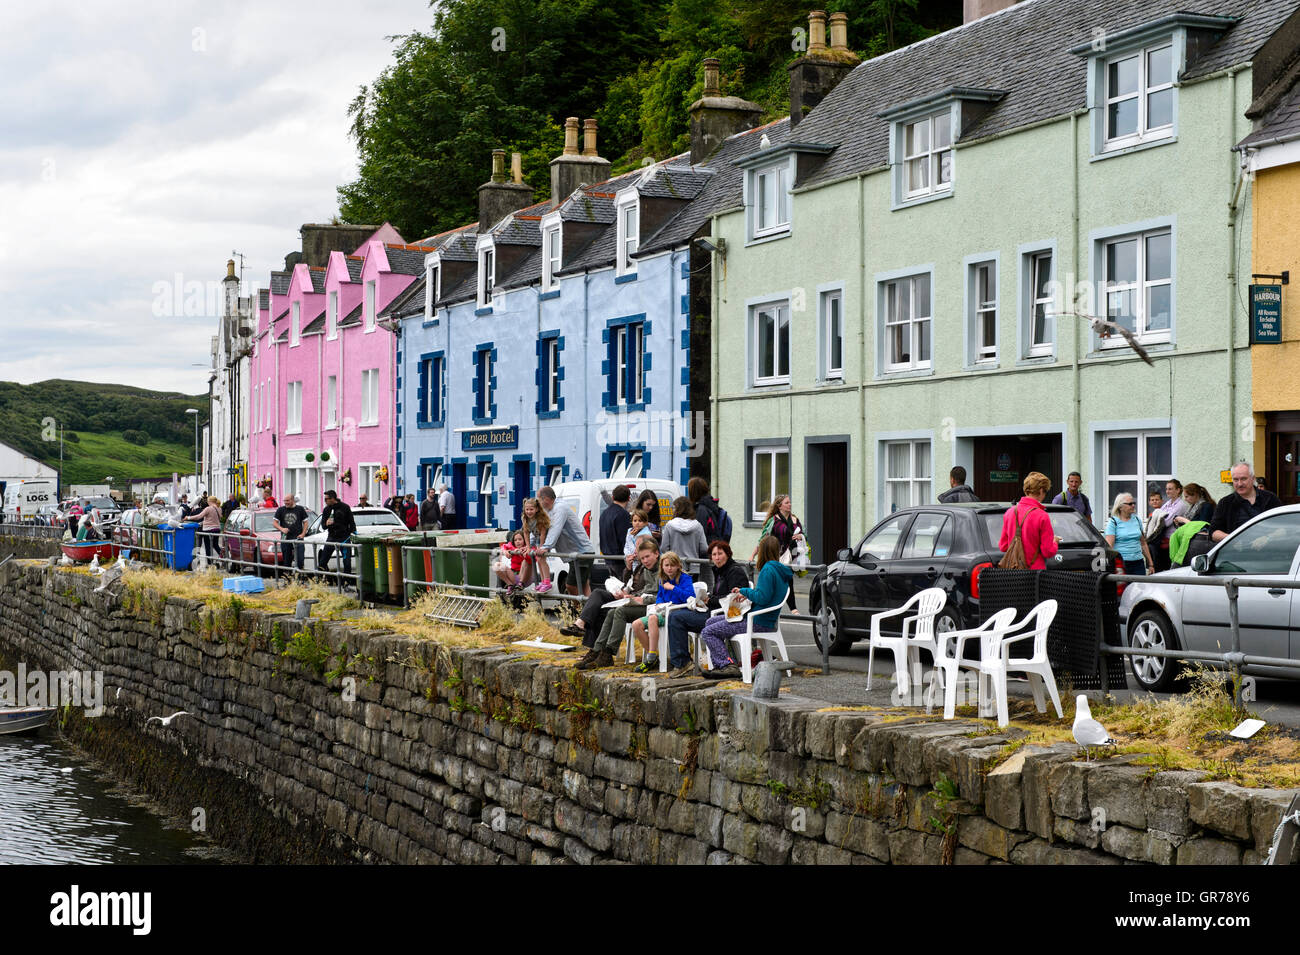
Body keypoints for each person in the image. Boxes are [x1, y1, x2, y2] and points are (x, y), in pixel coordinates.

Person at [701, 535, 793, 680]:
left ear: (762, 551)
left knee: (708, 632)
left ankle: (727, 665)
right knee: (710, 622)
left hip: (757, 622)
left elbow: (763, 597)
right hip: (765, 620)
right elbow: (766, 595)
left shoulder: (767, 570)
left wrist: (744, 591)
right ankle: (728, 662)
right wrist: (748, 594)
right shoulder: (779, 570)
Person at [574, 537, 661, 668]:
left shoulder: (662, 569)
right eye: (642, 559)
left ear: (656, 553)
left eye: (647, 557)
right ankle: (597, 650)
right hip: (644, 602)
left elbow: (664, 595)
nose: (645, 561)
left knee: (619, 611)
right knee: (610, 612)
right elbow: (645, 589)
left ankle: (608, 652)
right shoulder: (648, 569)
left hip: (656, 607)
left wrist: (642, 599)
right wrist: (632, 596)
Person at [664, 540, 750, 672]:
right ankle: (682, 661)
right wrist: (703, 601)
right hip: (712, 611)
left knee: (677, 618)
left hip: (723, 615)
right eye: (714, 555)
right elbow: (719, 595)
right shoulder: (720, 571)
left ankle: (682, 663)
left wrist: (710, 600)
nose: (716, 557)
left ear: (727, 554)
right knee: (675, 615)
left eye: (720, 554)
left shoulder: (734, 571)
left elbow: (733, 598)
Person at [629, 552, 694, 673]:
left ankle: (651, 657)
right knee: (636, 624)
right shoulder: (662, 579)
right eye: (667, 565)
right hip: (663, 611)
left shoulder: (685, 578)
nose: (669, 568)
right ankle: (652, 656)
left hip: (677, 613)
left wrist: (673, 588)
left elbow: (690, 597)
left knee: (652, 619)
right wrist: (659, 603)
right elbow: (659, 596)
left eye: (672, 565)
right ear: (662, 566)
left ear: (678, 566)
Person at [537, 485, 595, 595]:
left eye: (539, 499)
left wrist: (546, 546)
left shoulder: (560, 508)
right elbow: (540, 527)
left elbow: (555, 528)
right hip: (574, 553)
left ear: (546, 499)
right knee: (583, 584)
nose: (538, 503)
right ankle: (589, 610)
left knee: (571, 585)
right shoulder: (550, 511)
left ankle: (580, 610)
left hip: (582, 552)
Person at [998, 471, 1061, 570]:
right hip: (1035, 573)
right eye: (1045, 491)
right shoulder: (1042, 516)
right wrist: (1055, 542)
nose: (1044, 495)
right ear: (1040, 491)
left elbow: (1003, 546)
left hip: (1013, 573)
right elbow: (1047, 552)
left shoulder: (1009, 512)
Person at [1210, 463, 1282, 542]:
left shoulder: (1270, 498)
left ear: (1253, 479)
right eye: (1236, 479)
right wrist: (1233, 539)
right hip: (1237, 552)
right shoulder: (1225, 503)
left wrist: (1268, 538)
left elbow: (1284, 527)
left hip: (1269, 550)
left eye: (1243, 479)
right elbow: (1213, 532)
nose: (1239, 484)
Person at [756, 494, 802, 611]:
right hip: (776, 557)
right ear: (779, 506)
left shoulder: (795, 519)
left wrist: (801, 536)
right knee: (779, 582)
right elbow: (763, 539)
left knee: (787, 581)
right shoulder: (773, 520)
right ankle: (789, 608)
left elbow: (804, 534)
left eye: (790, 502)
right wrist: (753, 555)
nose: (789, 504)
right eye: (787, 503)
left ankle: (791, 608)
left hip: (792, 556)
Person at [1105, 492, 1153, 576]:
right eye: (1130, 504)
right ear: (1120, 507)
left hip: (1138, 563)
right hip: (1121, 564)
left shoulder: (1137, 520)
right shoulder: (1113, 522)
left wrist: (1150, 564)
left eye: (1134, 503)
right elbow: (1109, 547)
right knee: (1124, 589)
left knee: (1139, 588)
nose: (1133, 505)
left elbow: (1143, 543)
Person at [660, 497, 709, 571]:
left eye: (674, 508)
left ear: (677, 509)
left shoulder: (669, 526)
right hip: (694, 566)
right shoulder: (698, 526)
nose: (672, 510)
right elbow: (704, 548)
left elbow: (664, 548)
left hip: (674, 566)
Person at [1151, 479, 1188, 572]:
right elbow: (1160, 518)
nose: (1167, 491)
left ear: (1178, 490)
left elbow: (1166, 522)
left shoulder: (1180, 505)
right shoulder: (1168, 504)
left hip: (1172, 541)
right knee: (1159, 568)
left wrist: (1159, 517)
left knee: (1169, 570)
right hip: (1163, 540)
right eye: (1167, 489)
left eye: (1170, 489)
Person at [598, 484, 633, 580]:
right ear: (629, 498)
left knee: (614, 589)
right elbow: (625, 539)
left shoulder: (604, 513)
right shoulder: (623, 515)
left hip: (608, 557)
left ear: (613, 497)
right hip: (619, 559)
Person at [519, 497, 552, 592]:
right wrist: (528, 547)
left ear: (537, 509)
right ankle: (543, 582)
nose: (529, 512)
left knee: (542, 559)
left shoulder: (540, 518)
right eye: (527, 509)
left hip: (545, 539)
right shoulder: (525, 518)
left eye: (531, 509)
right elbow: (526, 532)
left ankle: (547, 582)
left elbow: (543, 533)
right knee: (538, 559)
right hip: (536, 539)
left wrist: (542, 547)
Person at [319, 490, 356, 575]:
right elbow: (323, 526)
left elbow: (352, 522)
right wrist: (326, 524)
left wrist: (352, 534)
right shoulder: (326, 510)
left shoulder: (345, 507)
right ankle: (321, 581)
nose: (325, 501)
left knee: (347, 561)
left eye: (326, 499)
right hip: (332, 537)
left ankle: (346, 582)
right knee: (323, 560)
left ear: (332, 498)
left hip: (344, 537)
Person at [273, 493, 309, 572]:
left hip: (298, 538)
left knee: (300, 560)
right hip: (286, 539)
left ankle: (299, 579)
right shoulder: (281, 510)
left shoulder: (300, 509)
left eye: (287, 501)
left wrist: (303, 534)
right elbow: (274, 523)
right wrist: (281, 529)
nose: (286, 502)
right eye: (284, 501)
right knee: (286, 562)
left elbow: (305, 522)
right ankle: (287, 581)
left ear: (292, 500)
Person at [688, 477, 729, 542]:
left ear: (693, 492)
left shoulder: (701, 510)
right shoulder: (709, 505)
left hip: (706, 548)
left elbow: (700, 535)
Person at [495, 530, 533, 595]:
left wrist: (521, 553)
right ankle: (510, 585)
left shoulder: (528, 547)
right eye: (515, 540)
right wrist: (505, 551)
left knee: (525, 561)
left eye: (520, 539)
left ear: (525, 539)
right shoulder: (512, 546)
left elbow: (530, 560)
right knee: (497, 565)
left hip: (526, 577)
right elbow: (503, 546)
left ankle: (521, 584)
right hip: (514, 575)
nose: (517, 541)